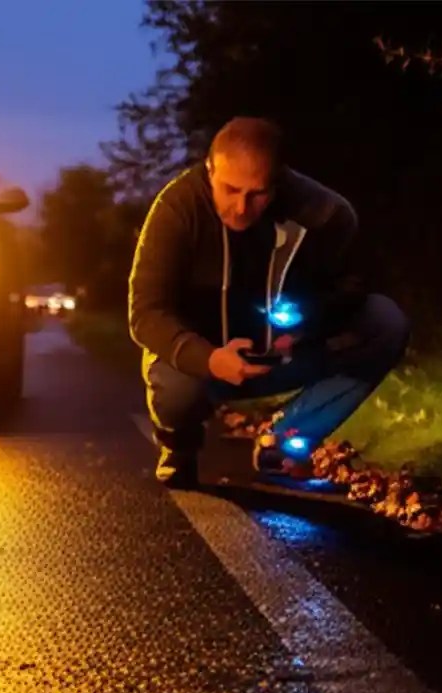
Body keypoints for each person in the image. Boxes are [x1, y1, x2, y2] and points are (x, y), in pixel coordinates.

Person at [127, 116, 411, 489]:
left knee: (385, 323)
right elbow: (145, 313)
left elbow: (354, 286)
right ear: (210, 169)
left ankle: (283, 438)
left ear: (278, 182)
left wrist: (308, 321)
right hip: (203, 360)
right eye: (230, 190)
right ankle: (179, 445)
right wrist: (210, 359)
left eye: (257, 193)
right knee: (175, 389)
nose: (242, 207)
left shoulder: (326, 214)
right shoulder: (177, 209)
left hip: (282, 352)